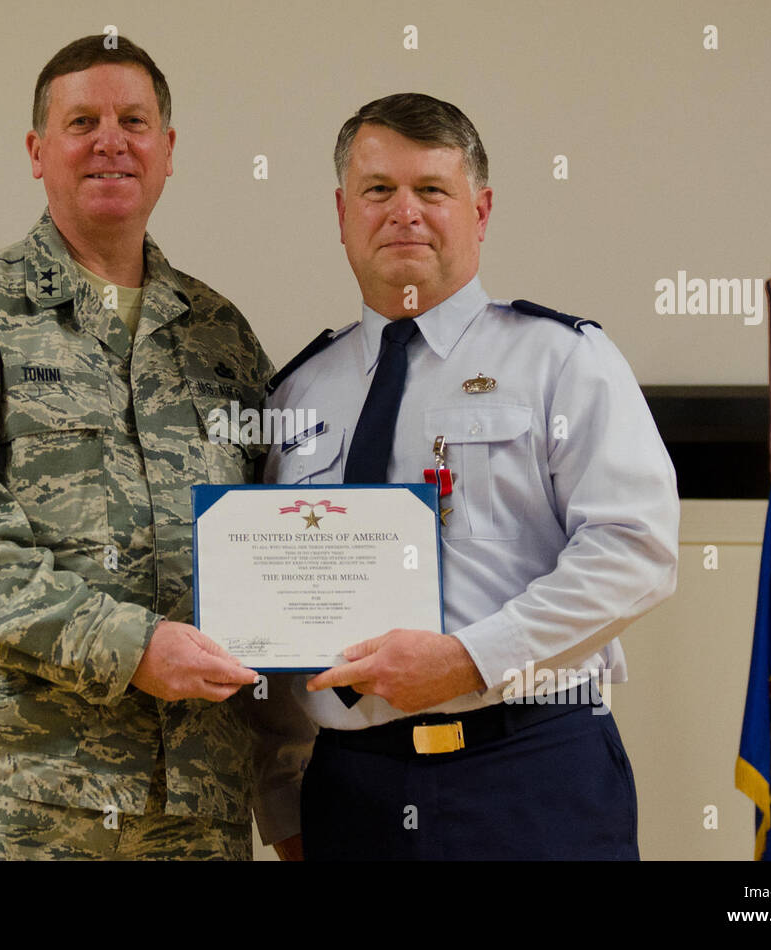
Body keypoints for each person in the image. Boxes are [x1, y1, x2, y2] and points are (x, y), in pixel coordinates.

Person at [0, 34, 273, 860]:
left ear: (168, 152)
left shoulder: (221, 339)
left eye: (135, 120)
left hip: (193, 809)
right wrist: (131, 649)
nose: (111, 140)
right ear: (37, 151)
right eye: (82, 120)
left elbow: (279, 538)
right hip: (6, 795)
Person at [256, 93, 680, 860]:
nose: (404, 212)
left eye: (433, 191)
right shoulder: (297, 395)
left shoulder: (562, 361)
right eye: (379, 190)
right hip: (353, 791)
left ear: (480, 212)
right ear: (342, 212)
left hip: (529, 777)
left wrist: (469, 659)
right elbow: (274, 615)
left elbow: (636, 551)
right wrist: (283, 800)